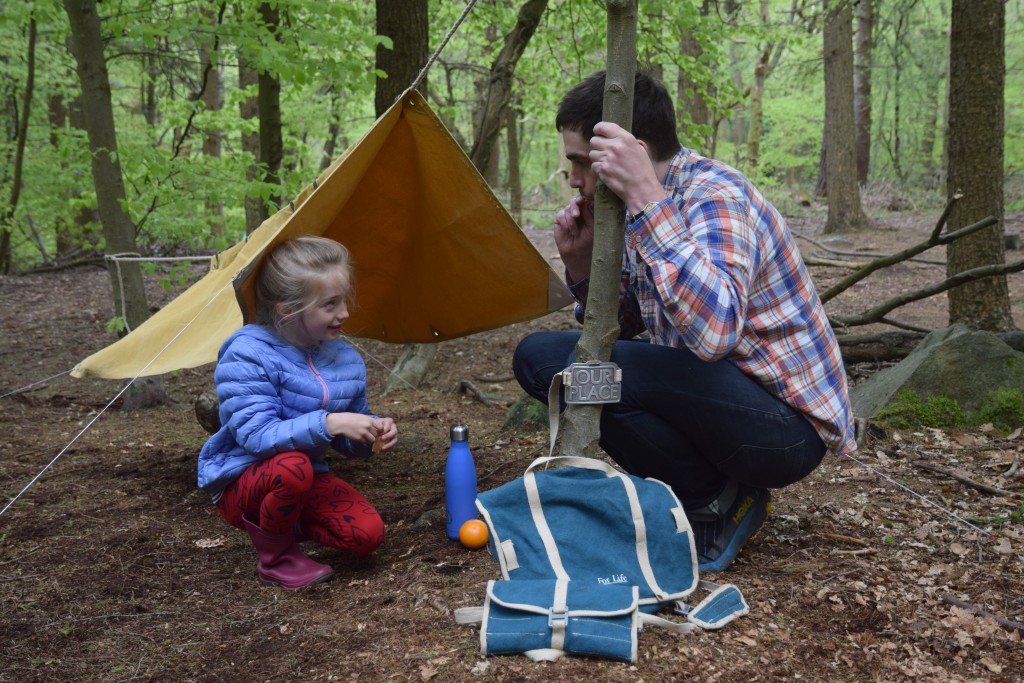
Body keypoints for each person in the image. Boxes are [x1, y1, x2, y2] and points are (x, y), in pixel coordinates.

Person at [512, 70, 856, 572]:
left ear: (633, 151)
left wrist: (649, 203)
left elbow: (714, 334)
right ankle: (712, 496)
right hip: (710, 399)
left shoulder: (715, 197)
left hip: (784, 428)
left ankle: (720, 504)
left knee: (590, 370)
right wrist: (583, 268)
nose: (574, 180)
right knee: (543, 361)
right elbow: (625, 326)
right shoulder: (628, 207)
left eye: (582, 162)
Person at [197, 236, 398, 590]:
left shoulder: (344, 358)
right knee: (294, 467)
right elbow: (256, 437)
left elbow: (347, 440)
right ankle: (277, 559)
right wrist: (331, 422)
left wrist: (371, 433)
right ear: (288, 309)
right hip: (243, 479)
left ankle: (282, 522)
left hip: (304, 478)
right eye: (330, 304)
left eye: (345, 299)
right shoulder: (247, 354)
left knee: (366, 535)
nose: (344, 313)